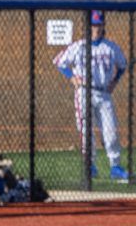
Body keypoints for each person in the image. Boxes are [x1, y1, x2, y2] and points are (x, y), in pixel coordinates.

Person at [54, 11, 129, 182]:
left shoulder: (111, 47)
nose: (96, 28)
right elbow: (59, 62)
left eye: (99, 24)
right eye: (94, 25)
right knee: (86, 131)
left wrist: (115, 81)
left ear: (103, 26)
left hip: (104, 93)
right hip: (84, 91)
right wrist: (71, 77)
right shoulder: (79, 46)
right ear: (88, 26)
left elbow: (123, 65)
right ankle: (91, 166)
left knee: (110, 131)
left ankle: (115, 167)